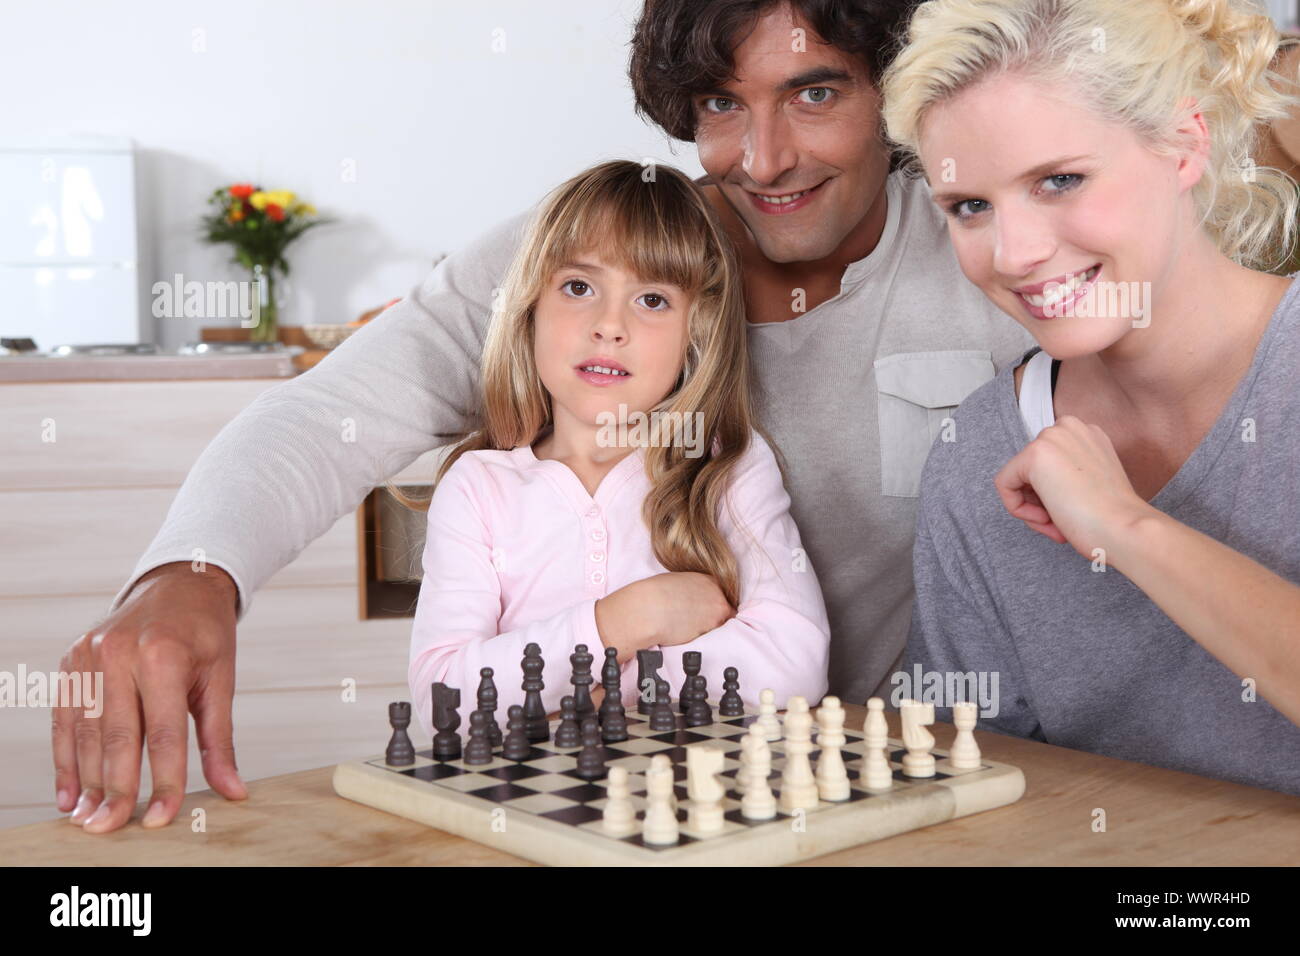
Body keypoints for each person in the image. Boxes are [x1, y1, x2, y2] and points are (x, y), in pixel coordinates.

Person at [57, 0, 1034, 833]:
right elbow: (325, 415)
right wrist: (189, 574)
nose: (765, 158)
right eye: (720, 103)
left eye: (815, 94)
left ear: (896, 91)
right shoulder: (579, 259)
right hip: (586, 804)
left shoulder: (991, 246)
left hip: (869, 796)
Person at [882, 0, 1300, 794]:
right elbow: (967, 783)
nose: (1015, 253)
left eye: (1060, 180)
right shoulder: (979, 453)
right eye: (970, 206)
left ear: (1185, 144)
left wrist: (1126, 526)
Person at [403, 160, 830, 732]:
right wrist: (626, 621)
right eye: (579, 287)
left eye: (651, 299)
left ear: (696, 333)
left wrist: (578, 686)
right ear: (530, 308)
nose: (609, 325)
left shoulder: (728, 466)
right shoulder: (478, 487)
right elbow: (444, 701)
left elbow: (794, 665)